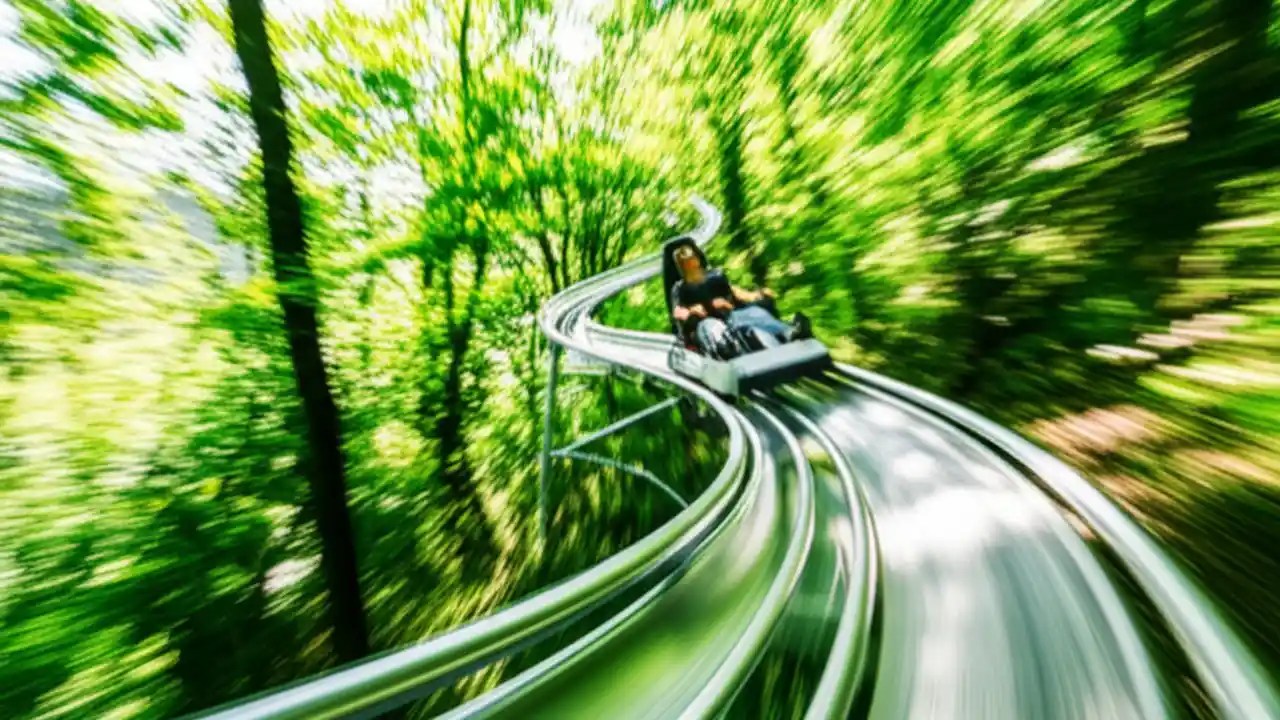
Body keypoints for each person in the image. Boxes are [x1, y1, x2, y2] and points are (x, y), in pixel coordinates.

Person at [669, 242, 811, 357]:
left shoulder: (715, 276)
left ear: (697, 258)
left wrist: (756, 295)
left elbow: (735, 292)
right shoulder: (680, 288)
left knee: (754, 313)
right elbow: (678, 311)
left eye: (692, 257)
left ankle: (790, 333)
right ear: (681, 265)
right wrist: (693, 310)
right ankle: (727, 350)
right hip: (704, 322)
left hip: (729, 316)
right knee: (712, 327)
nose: (691, 262)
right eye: (686, 261)